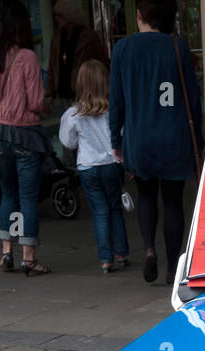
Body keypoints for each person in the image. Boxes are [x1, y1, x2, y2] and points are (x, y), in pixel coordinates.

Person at [109, 0, 202, 284]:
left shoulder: (123, 49)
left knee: (146, 195)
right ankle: (173, 266)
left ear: (140, 15)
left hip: (139, 137)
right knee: (173, 202)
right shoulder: (177, 48)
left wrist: (116, 139)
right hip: (173, 135)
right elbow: (193, 100)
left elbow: (117, 101)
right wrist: (198, 137)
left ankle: (149, 249)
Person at [0, 0, 52, 275]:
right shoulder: (26, 57)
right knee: (28, 197)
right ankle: (29, 258)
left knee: (8, 193)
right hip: (24, 136)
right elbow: (35, 102)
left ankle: (6, 251)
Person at [59, 58, 127, 272]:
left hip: (87, 166)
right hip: (111, 164)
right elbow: (122, 135)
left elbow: (67, 142)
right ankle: (121, 253)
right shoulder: (113, 110)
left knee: (99, 211)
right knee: (115, 208)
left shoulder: (72, 114)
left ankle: (105, 259)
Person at [44, 0, 105, 120]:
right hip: (62, 94)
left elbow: (102, 64)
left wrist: (101, 90)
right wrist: (49, 95)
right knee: (68, 129)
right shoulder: (56, 38)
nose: (56, 19)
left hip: (84, 94)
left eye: (60, 16)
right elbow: (52, 67)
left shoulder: (89, 37)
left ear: (69, 16)